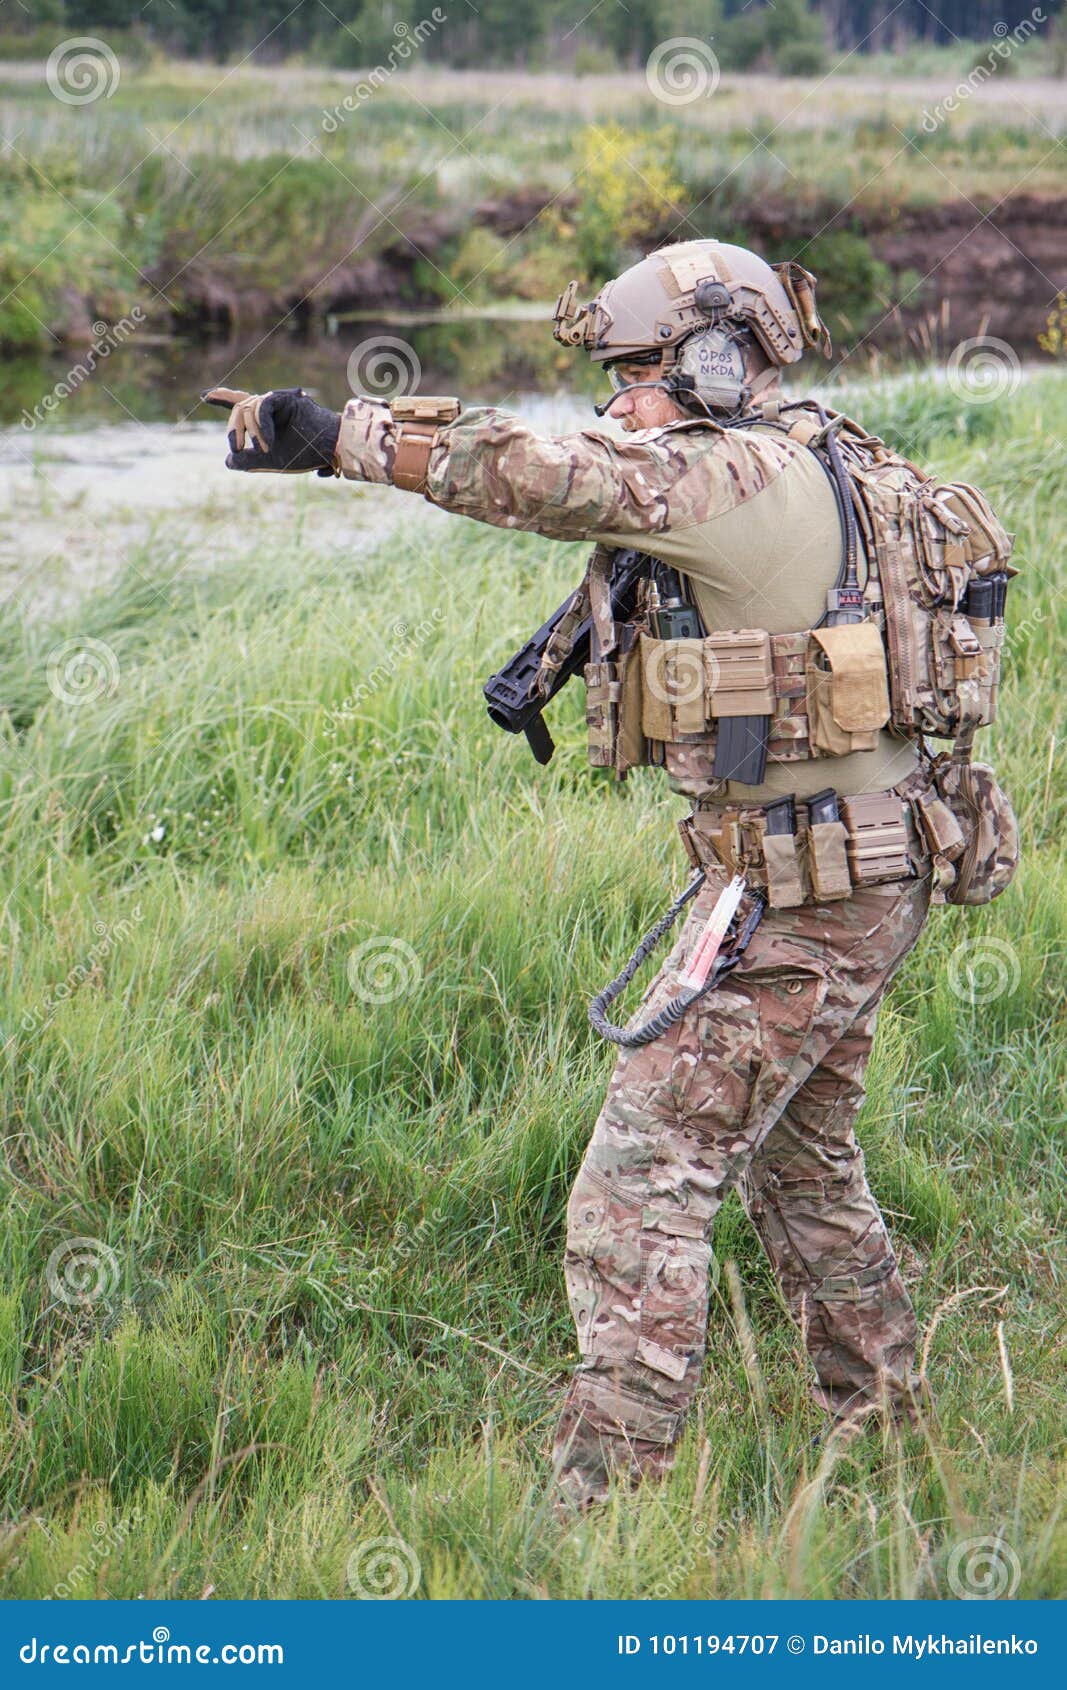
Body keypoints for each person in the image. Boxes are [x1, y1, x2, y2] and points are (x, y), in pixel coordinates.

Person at [205, 239, 1014, 1510]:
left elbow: (548, 475)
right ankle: (885, 1438)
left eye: (630, 373)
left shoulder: (737, 471)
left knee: (635, 1189)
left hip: (811, 891)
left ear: (707, 359)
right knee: (802, 1166)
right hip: (846, 876)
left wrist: (334, 436)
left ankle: (594, 1512)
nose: (616, 404)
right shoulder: (835, 453)